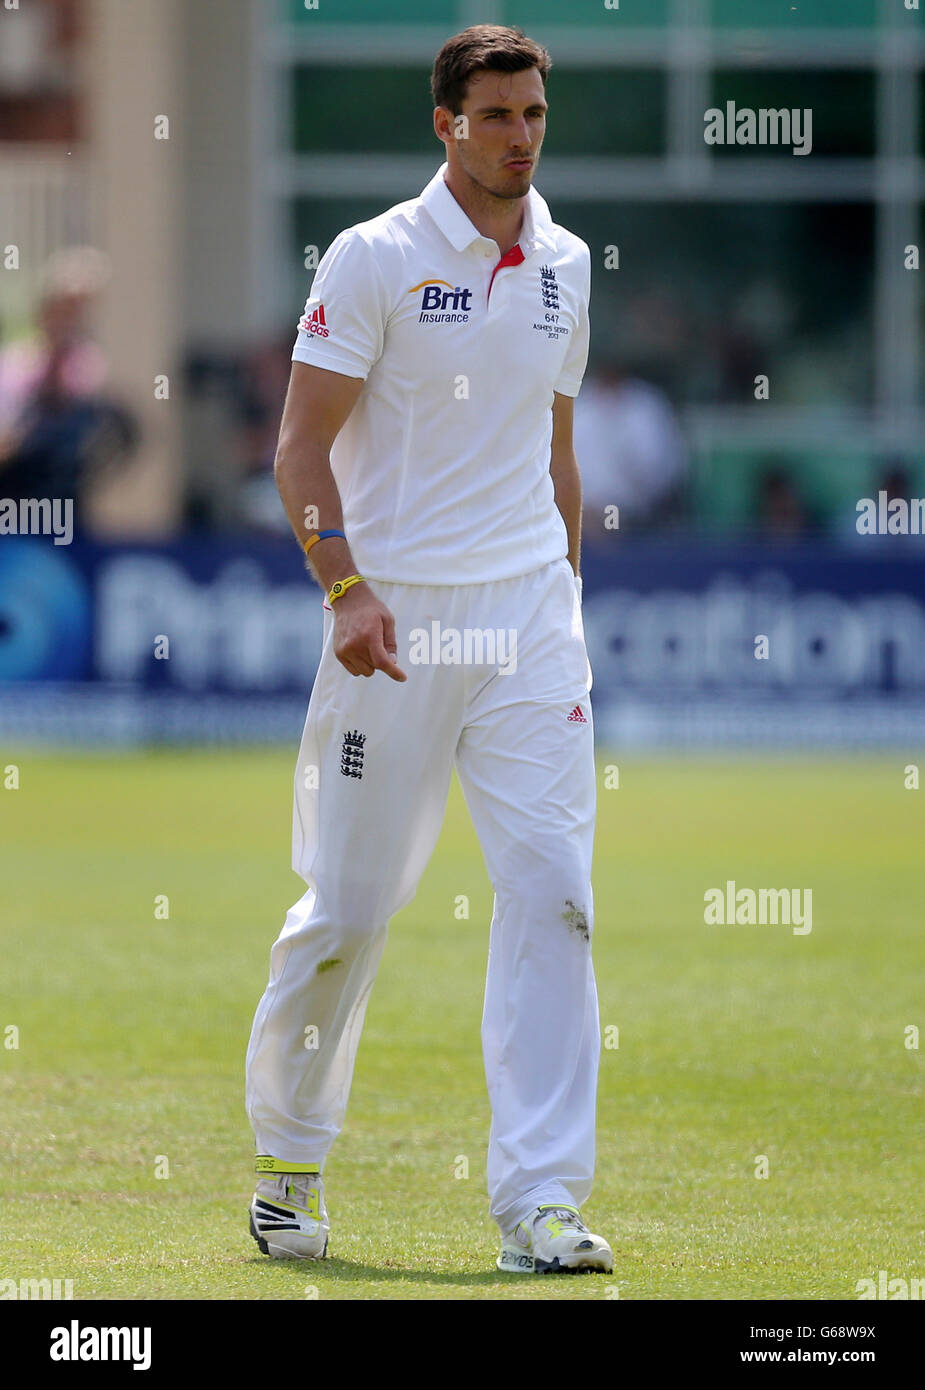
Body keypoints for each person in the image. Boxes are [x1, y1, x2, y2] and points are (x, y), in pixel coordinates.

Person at [245, 24, 612, 1277]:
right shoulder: (374, 258)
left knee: (556, 893)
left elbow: (554, 456)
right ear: (445, 124)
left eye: (533, 115)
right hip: (392, 621)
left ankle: (541, 1203)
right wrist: (342, 589)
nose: (520, 136)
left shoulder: (563, 259)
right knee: (349, 906)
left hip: (527, 623)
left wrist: (565, 600)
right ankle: (289, 1168)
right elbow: (298, 448)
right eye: (497, 115)